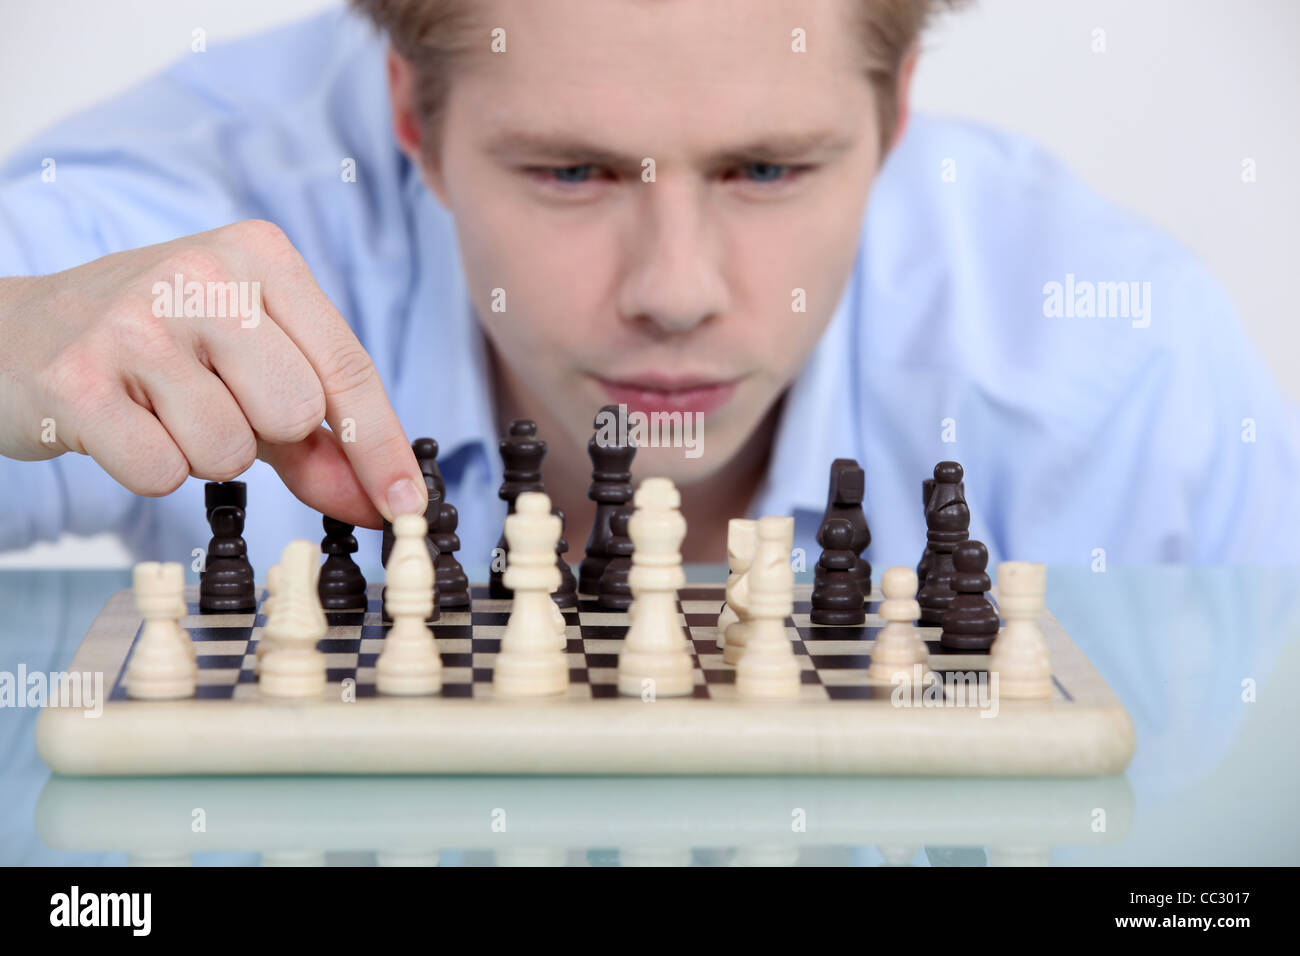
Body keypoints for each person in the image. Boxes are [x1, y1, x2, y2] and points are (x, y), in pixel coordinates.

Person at [0, 0, 1295, 576]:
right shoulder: (218, 205)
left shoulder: (1121, 369)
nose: (674, 292)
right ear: (413, 116)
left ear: (895, 116)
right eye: (572, 171)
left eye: (769, 169)